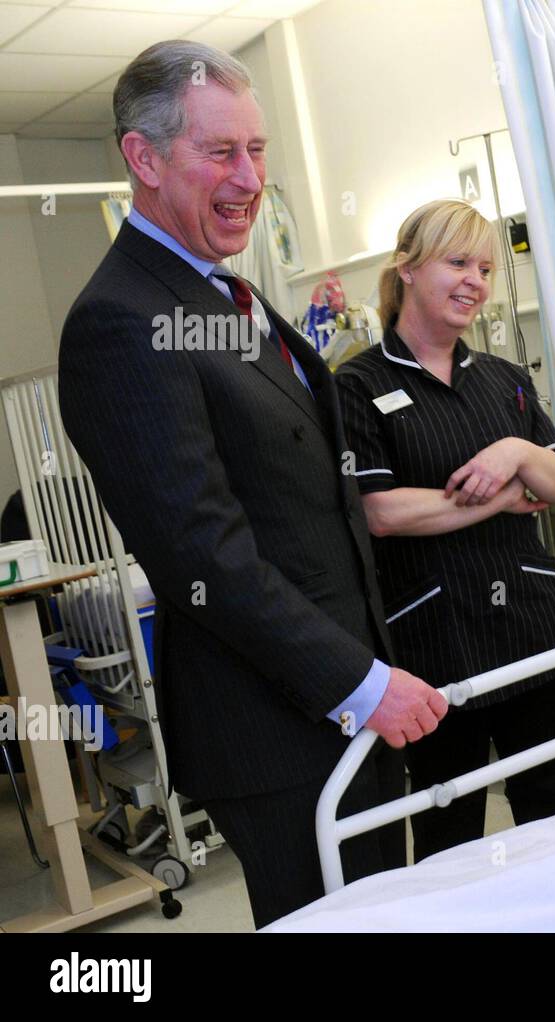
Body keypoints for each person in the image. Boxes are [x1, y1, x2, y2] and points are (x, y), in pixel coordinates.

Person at [58, 41, 447, 928]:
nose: (250, 177)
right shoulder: (122, 322)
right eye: (222, 152)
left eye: (259, 150)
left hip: (342, 695)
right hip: (278, 725)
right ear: (145, 158)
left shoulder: (225, 295)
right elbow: (204, 552)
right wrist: (358, 683)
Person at [335, 199, 555, 860]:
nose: (475, 280)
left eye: (484, 267)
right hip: (434, 646)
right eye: (457, 262)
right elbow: (381, 512)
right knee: (449, 833)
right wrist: (503, 501)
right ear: (408, 269)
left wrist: (517, 453)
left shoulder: (504, 382)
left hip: (530, 628)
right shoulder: (358, 386)